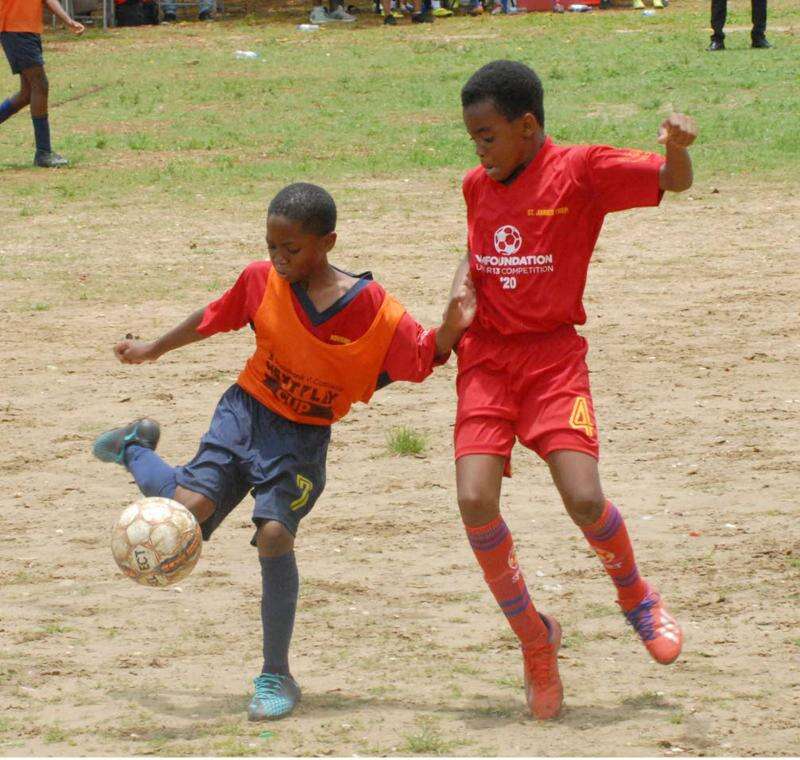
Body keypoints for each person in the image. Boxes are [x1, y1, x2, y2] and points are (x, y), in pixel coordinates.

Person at [92, 182, 475, 721]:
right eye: (272, 246)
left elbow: (423, 353)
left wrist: (454, 325)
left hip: (302, 438)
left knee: (274, 534)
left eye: (290, 249)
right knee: (185, 518)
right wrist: (154, 347)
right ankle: (133, 448)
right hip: (244, 413)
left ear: (328, 243)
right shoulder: (260, 279)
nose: (278, 258)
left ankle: (276, 674)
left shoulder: (372, 309)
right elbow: (214, 315)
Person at [449, 60, 697, 720]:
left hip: (553, 359)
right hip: (487, 361)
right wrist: (457, 298)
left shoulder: (583, 170)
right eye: (472, 136)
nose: (479, 149)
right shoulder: (477, 184)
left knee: (584, 498)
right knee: (474, 499)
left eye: (488, 135)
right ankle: (536, 639)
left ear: (527, 127)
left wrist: (676, 149)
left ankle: (637, 597)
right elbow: (476, 252)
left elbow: (672, 182)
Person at [0, 0, 83, 167]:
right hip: (16, 29)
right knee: (40, 85)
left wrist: (68, 21)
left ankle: (43, 152)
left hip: (25, 30)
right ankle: (43, 152)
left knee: (26, 93)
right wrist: (68, 21)